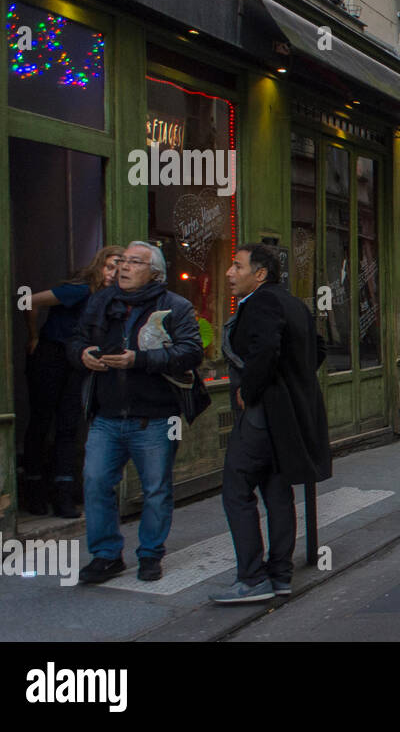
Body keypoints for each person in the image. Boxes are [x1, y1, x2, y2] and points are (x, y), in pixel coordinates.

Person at [68, 241, 203, 584]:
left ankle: (150, 555)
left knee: (157, 489)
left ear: (154, 272)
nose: (124, 268)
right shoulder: (100, 302)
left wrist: (138, 360)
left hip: (157, 418)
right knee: (96, 482)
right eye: (122, 261)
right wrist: (83, 353)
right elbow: (75, 340)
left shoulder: (176, 306)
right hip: (107, 417)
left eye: (134, 262)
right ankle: (106, 555)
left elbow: (190, 353)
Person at [211, 244, 331, 604]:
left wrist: (251, 390)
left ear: (260, 274)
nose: (230, 273)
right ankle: (280, 575)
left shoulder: (262, 303)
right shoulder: (294, 304)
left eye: (237, 266)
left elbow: (264, 350)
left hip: (263, 413)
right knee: (277, 492)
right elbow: (318, 348)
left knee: (236, 487)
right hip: (288, 416)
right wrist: (295, 381)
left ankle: (251, 578)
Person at [22, 245, 125, 517]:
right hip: (51, 356)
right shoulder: (80, 289)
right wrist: (33, 336)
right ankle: (33, 491)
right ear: (99, 265)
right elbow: (28, 300)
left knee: (69, 425)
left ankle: (63, 493)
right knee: (42, 420)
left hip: (78, 360)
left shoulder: (110, 299)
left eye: (120, 267)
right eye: (110, 265)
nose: (114, 273)